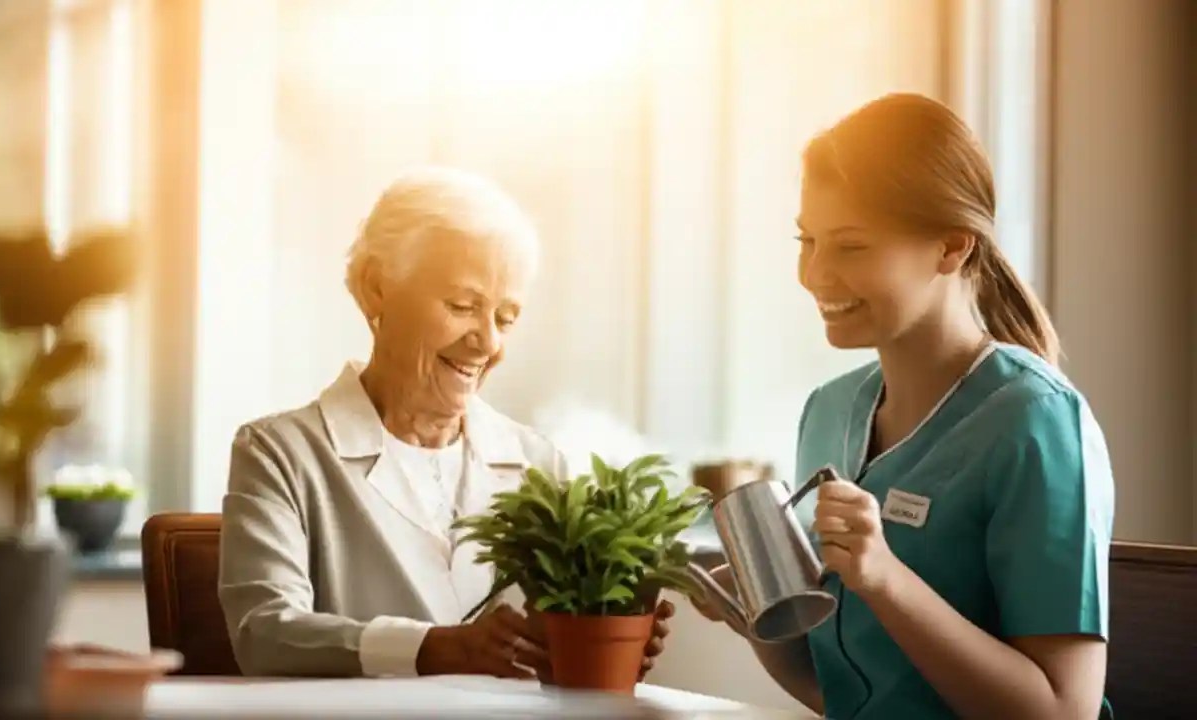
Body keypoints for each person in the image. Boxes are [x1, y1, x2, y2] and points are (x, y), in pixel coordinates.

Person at [693, 94, 1114, 720]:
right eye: (807, 240)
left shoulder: (1037, 424)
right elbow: (845, 694)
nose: (814, 273)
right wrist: (757, 610)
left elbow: (1062, 711)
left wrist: (884, 577)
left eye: (851, 247)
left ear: (952, 248)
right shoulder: (830, 413)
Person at [218, 167, 673, 680]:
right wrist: (436, 648)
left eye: (505, 318)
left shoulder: (539, 464)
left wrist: (612, 633)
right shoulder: (281, 453)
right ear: (376, 290)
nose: (488, 342)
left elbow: (564, 655)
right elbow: (266, 633)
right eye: (463, 306)